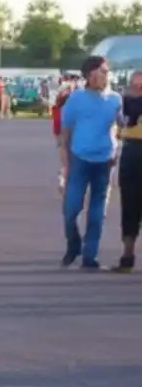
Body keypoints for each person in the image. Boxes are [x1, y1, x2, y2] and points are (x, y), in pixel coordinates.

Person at [59, 56, 123, 270]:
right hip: (79, 159)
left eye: (107, 72)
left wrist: (118, 147)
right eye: (102, 71)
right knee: (71, 209)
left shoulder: (115, 100)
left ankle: (90, 256)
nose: (106, 75)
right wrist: (65, 166)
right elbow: (65, 133)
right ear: (90, 75)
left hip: (104, 161)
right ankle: (74, 244)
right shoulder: (76, 99)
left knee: (97, 212)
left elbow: (123, 127)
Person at [113, 70, 142, 271]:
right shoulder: (124, 101)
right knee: (130, 204)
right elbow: (120, 122)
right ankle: (127, 255)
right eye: (135, 84)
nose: (138, 88)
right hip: (132, 150)